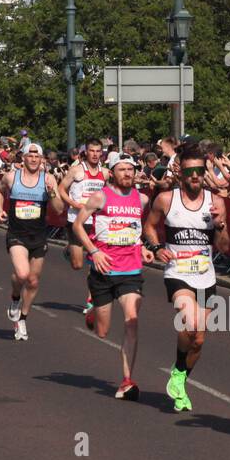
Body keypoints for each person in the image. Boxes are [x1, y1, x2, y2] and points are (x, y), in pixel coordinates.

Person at [145, 144, 229, 411]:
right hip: (178, 272)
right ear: (180, 171)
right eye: (190, 171)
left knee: (199, 340)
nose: (195, 176)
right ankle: (179, 373)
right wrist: (157, 248)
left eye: (200, 171)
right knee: (190, 324)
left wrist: (220, 226)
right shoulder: (166, 200)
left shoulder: (216, 202)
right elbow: (149, 226)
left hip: (206, 275)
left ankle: (179, 375)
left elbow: (224, 246)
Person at [73, 153, 151, 399]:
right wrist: (94, 251)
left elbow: (136, 229)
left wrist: (145, 247)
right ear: (112, 172)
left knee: (132, 319)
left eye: (131, 169)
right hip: (103, 270)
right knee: (102, 332)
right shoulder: (100, 197)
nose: (128, 174)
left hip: (131, 270)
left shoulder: (143, 199)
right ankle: (94, 312)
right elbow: (77, 225)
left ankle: (127, 380)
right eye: (122, 169)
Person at [0, 143, 64, 340]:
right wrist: (0, 209)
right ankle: (15, 298)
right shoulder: (11, 177)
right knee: (23, 273)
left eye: (37, 156)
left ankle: (22, 318)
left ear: (41, 159)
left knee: (32, 281)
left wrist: (51, 193)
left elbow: (59, 209)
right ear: (23, 158)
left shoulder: (48, 179)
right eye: (30, 155)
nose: (33, 159)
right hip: (17, 234)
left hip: (39, 236)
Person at [60, 139, 108, 327]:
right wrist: (74, 204)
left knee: (95, 262)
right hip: (77, 221)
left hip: (97, 222)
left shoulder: (105, 173)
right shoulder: (76, 170)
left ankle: (91, 299)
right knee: (77, 264)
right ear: (86, 152)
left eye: (98, 151)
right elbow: (61, 189)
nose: (95, 154)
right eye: (92, 151)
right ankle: (69, 251)